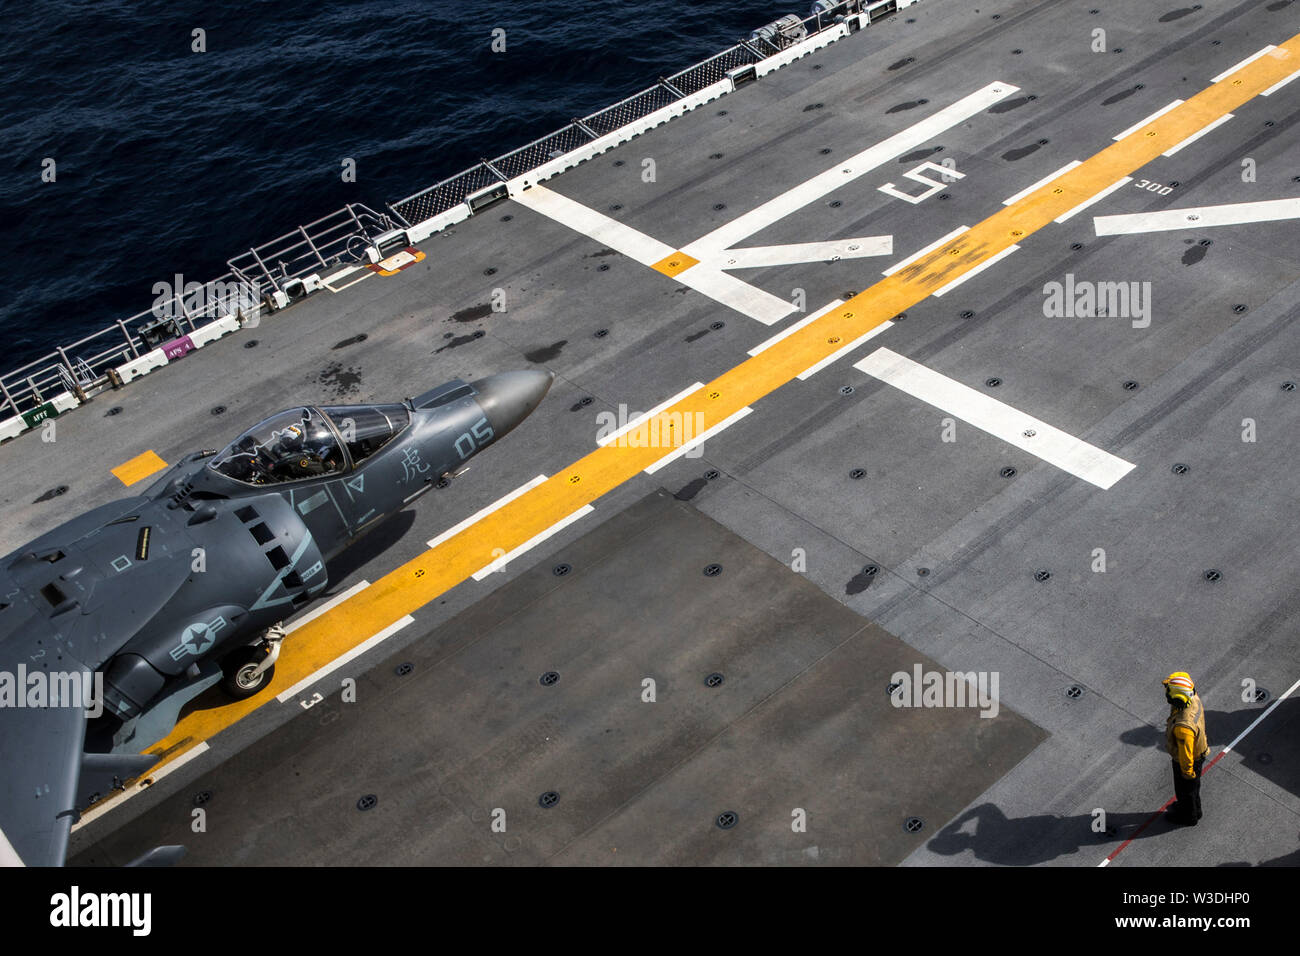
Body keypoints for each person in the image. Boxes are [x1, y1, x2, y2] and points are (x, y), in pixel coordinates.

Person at [1163, 672, 1209, 825]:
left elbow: (1186, 756)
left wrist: (1187, 773)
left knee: (1185, 791)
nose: (1166, 693)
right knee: (1194, 789)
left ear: (1177, 698)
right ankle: (1196, 810)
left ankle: (1189, 817)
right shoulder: (1193, 697)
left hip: (1189, 761)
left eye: (1169, 691)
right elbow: (1183, 678)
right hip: (1200, 750)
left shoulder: (1183, 727)